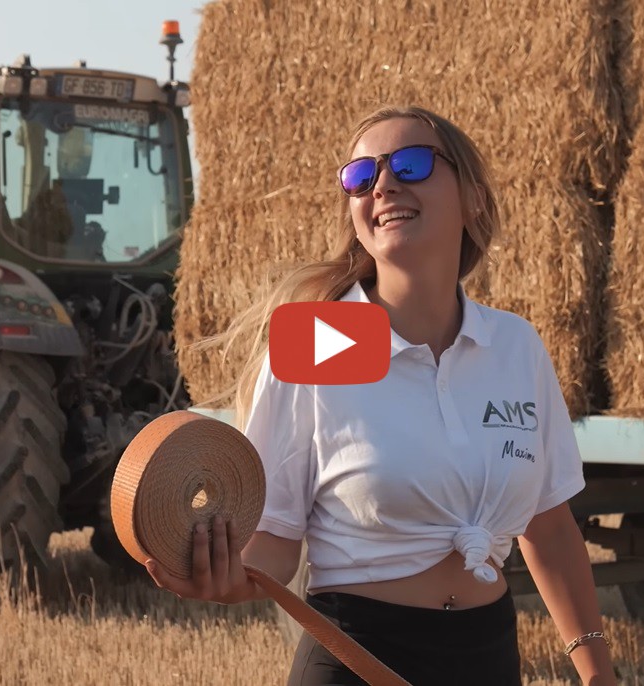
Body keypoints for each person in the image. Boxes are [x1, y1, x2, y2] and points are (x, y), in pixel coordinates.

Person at [146, 106, 618, 686]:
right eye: (360, 176)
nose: (385, 185)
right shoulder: (316, 344)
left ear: (471, 196)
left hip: (489, 658)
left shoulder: (514, 346)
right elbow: (273, 538)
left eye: (412, 164)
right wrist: (231, 576)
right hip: (356, 659)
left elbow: (547, 525)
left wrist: (597, 672)